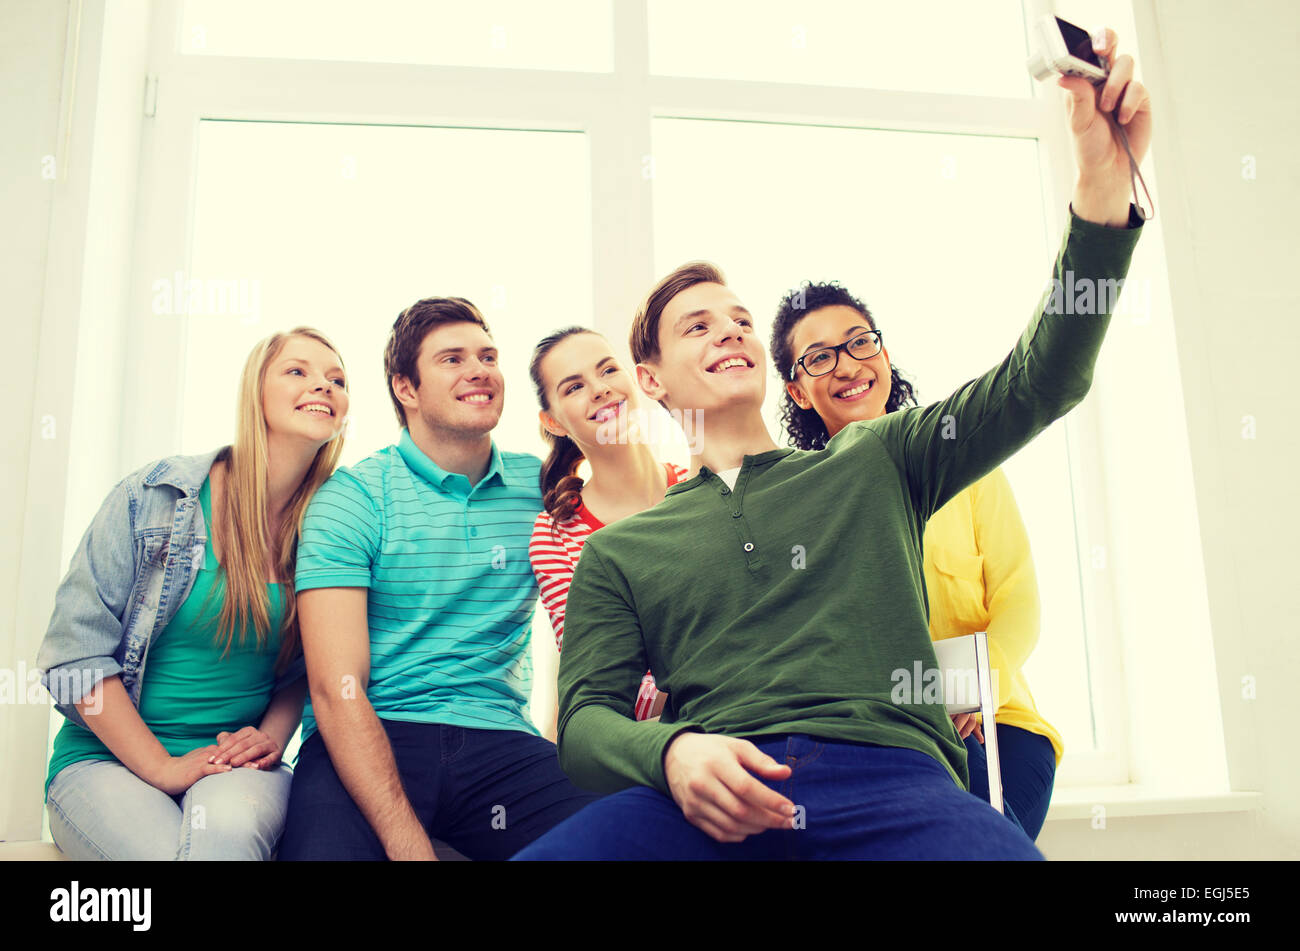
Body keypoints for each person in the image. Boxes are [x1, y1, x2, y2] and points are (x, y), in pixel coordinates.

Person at [513, 29, 1149, 860]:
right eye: (696, 326)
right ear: (652, 377)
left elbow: (1044, 378)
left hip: (901, 787)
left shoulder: (876, 459)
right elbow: (586, 727)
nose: (730, 332)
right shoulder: (622, 552)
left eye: (741, 320)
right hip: (712, 795)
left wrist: (1101, 189)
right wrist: (670, 751)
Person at [277, 297, 601, 861]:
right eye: (452, 359)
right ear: (406, 388)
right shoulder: (353, 497)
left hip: (500, 741)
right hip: (369, 732)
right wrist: (408, 845)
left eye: (488, 356)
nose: (479, 370)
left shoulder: (545, 488)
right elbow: (335, 687)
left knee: (625, 842)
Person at [38, 327, 349, 860]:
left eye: (337, 379)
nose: (322, 385)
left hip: (236, 766)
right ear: (256, 392)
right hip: (105, 761)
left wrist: (271, 739)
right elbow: (74, 658)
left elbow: (307, 672)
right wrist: (162, 767)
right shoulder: (157, 496)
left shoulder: (335, 524)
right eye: (297, 371)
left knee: (223, 840)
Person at [770, 281, 1062, 839]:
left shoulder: (969, 463)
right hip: (885, 735)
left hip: (995, 726)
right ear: (799, 391)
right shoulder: (796, 500)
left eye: (859, 343)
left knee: (982, 841)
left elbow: (1017, 601)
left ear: (883, 355)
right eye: (819, 357)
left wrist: (976, 691)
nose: (847, 365)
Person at [527, 327, 689, 734]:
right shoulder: (555, 535)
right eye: (574, 386)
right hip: (648, 740)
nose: (600, 389)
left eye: (608, 370)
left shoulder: (698, 488)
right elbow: (600, 672)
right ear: (554, 422)